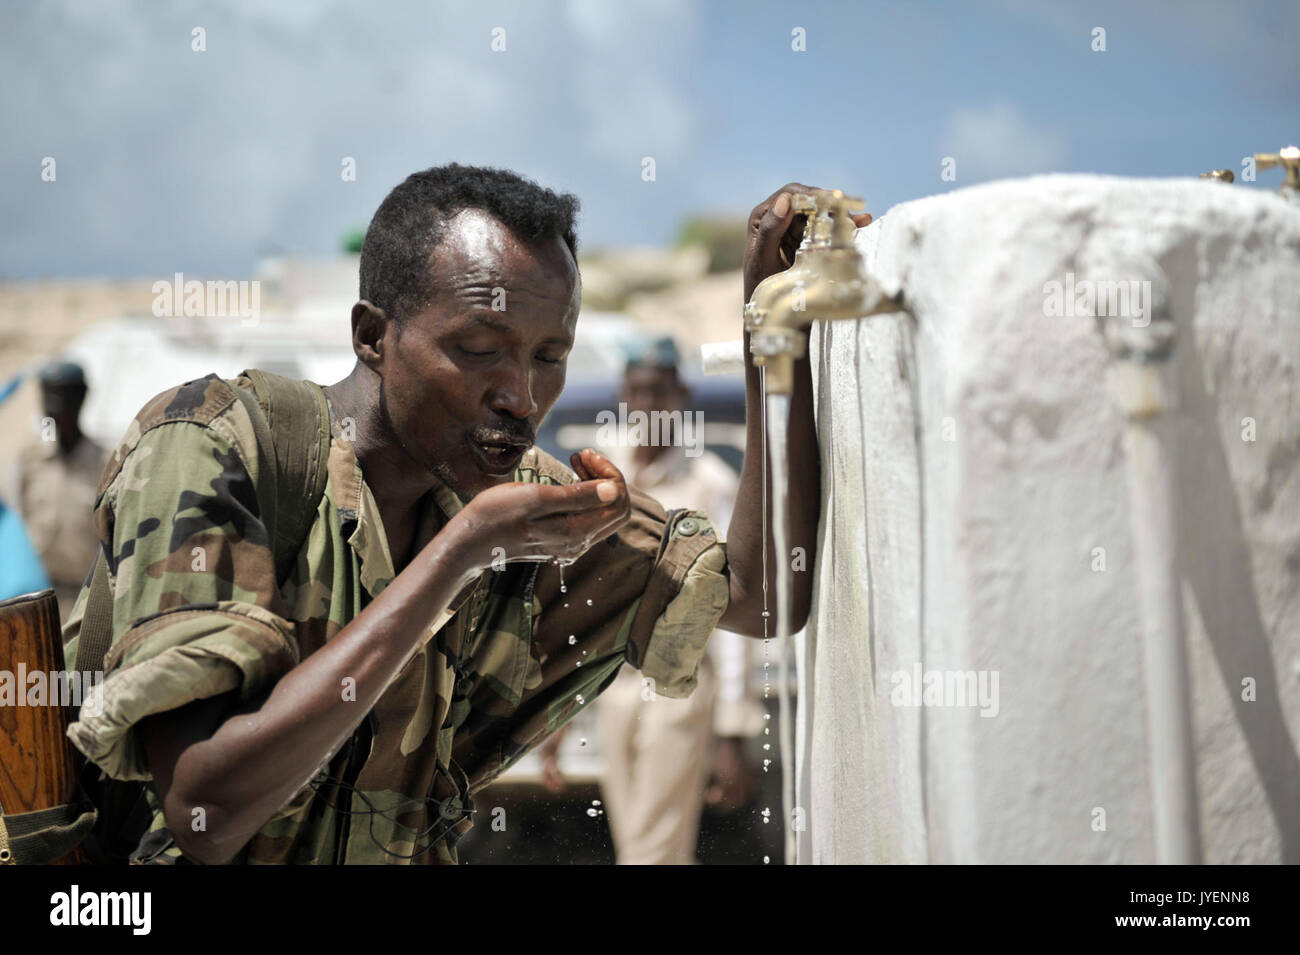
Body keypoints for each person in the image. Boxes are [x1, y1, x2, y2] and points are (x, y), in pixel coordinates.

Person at [61, 164, 868, 864]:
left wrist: (770, 326)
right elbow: (206, 807)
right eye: (480, 348)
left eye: (549, 357)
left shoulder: (518, 502)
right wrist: (459, 555)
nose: (521, 397)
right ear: (373, 336)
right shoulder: (210, 444)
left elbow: (763, 593)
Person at [595, 336, 765, 864]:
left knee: (653, 851)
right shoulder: (599, 475)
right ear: (623, 395)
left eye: (659, 391)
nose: (647, 406)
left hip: (679, 687)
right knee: (638, 845)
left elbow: (730, 613)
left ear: (681, 395)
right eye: (638, 391)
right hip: (611, 687)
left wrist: (734, 727)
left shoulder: (707, 482)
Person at [14, 361, 107, 623]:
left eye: (65, 398)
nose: (56, 409)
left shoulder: (105, 465)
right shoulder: (30, 461)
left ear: (80, 400)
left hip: (85, 601)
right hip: (33, 598)